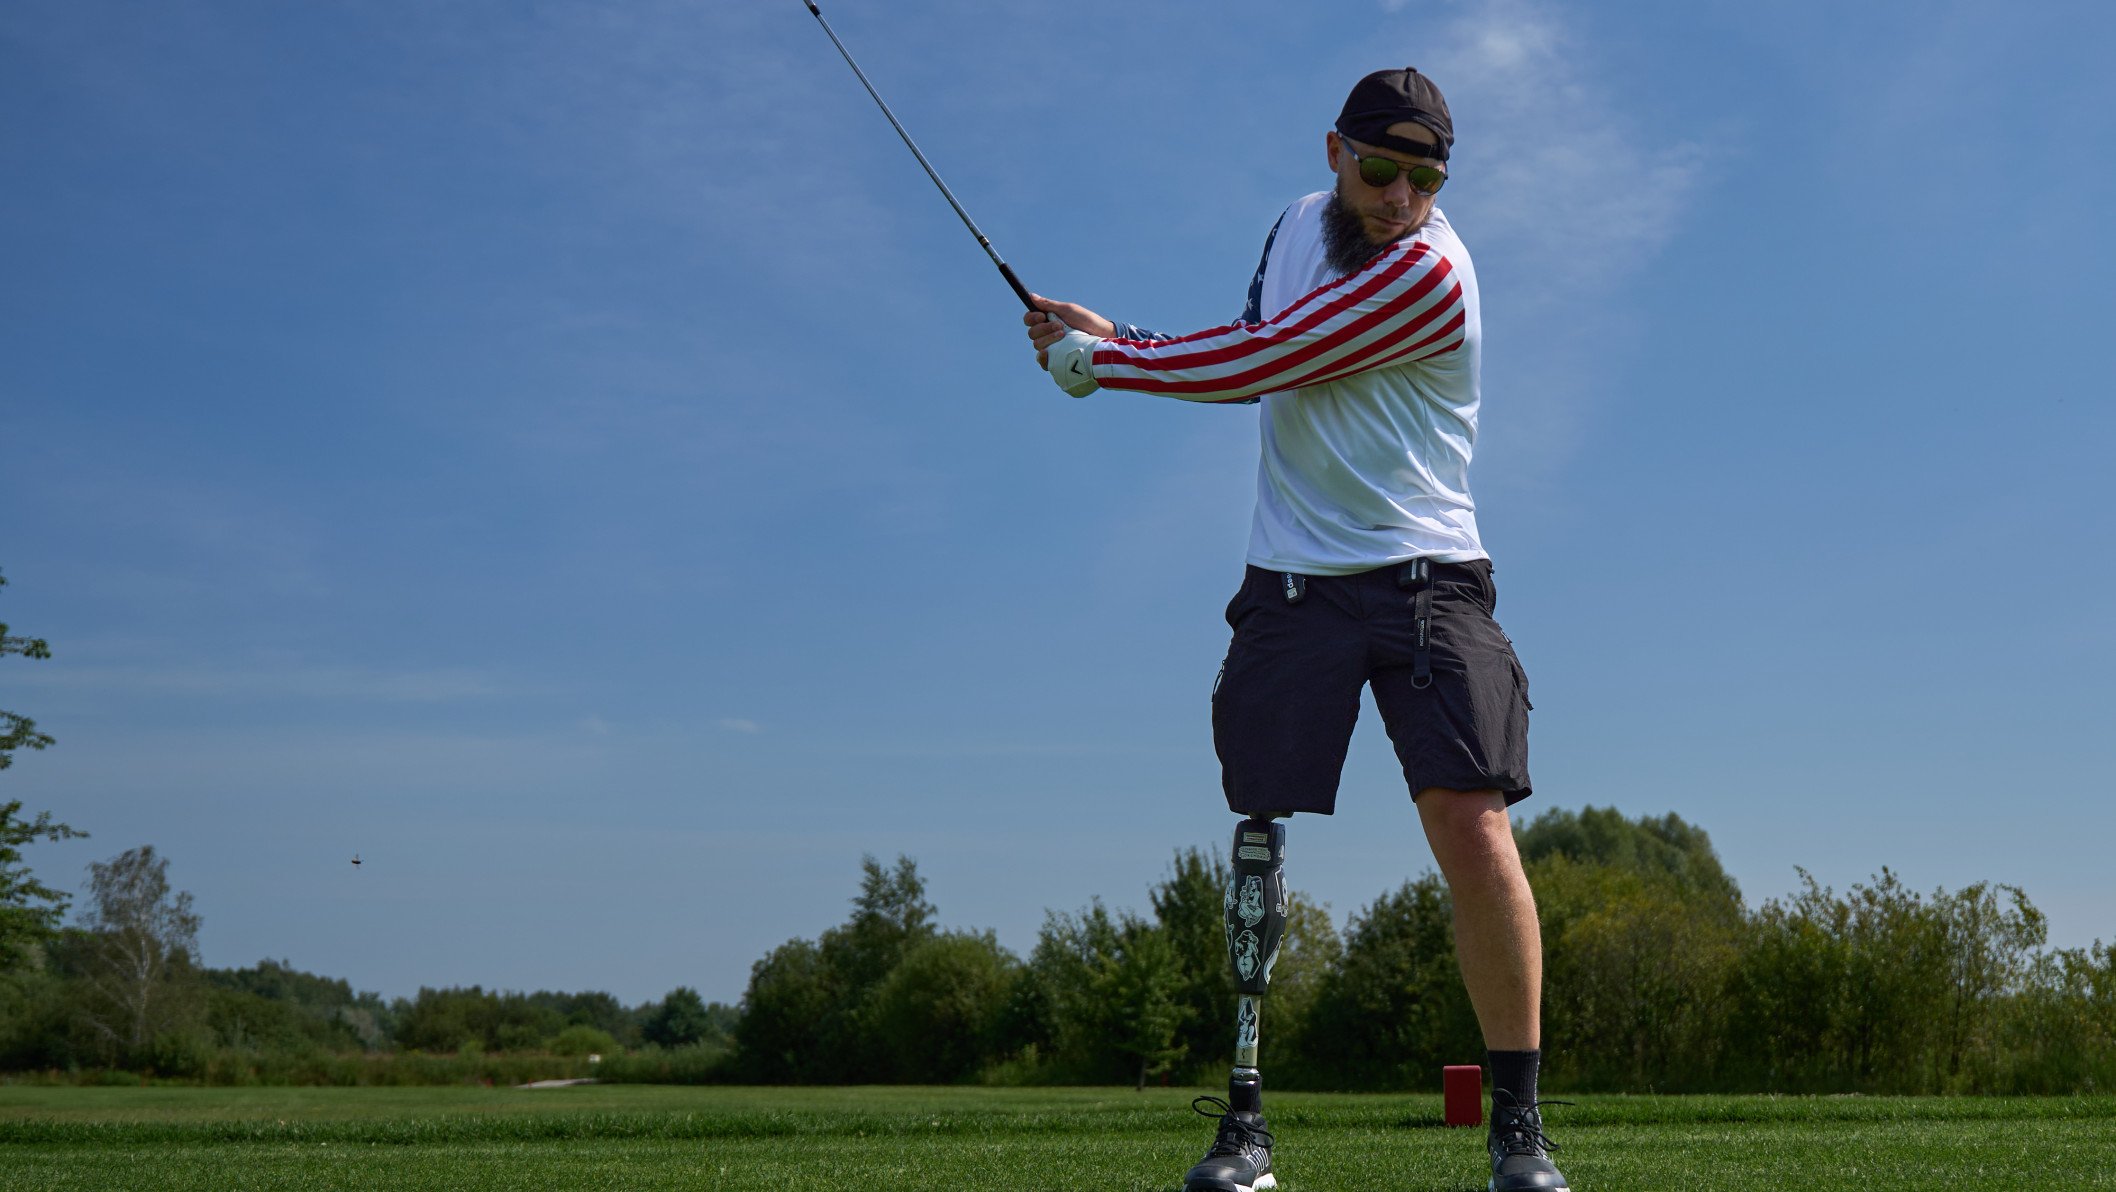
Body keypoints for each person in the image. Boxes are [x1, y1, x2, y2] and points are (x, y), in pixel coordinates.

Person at [1024, 67, 1570, 1192]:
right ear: (1334, 152)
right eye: (1381, 170)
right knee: (1256, 835)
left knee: (1473, 827)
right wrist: (1120, 332)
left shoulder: (1433, 274)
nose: (1400, 197)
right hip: (1293, 580)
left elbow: (1273, 361)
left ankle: (1517, 1130)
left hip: (1428, 576)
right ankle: (1244, 1126)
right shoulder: (1288, 227)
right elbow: (1252, 341)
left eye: (1426, 179)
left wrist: (1103, 366)